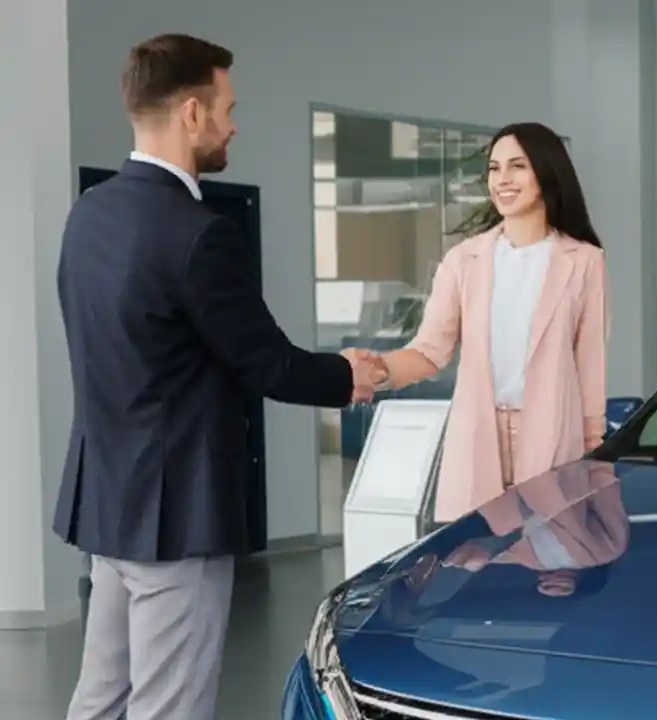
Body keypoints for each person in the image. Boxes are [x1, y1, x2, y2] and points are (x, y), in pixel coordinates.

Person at [54, 34, 386, 720]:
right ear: (193, 114)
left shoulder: (88, 215)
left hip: (108, 504)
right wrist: (349, 374)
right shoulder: (200, 232)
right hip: (178, 517)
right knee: (170, 708)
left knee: (100, 700)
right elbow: (268, 362)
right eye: (229, 107)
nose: (235, 123)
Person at [374, 122, 609, 523]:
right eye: (494, 168)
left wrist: (593, 446)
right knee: (476, 554)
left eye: (517, 166)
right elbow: (431, 350)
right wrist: (376, 370)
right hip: (478, 431)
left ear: (546, 173)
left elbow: (590, 360)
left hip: (552, 427)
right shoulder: (463, 260)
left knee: (549, 560)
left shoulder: (584, 261)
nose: (502, 179)